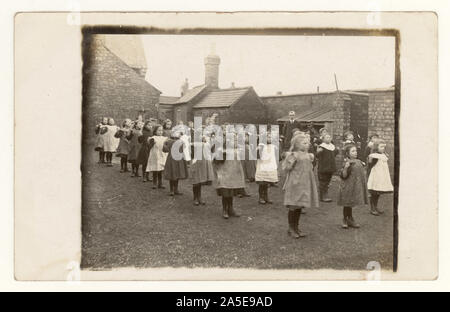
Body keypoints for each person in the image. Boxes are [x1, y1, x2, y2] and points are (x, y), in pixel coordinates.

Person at [282, 135, 319, 238]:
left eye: (308, 143)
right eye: (304, 143)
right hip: (295, 183)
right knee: (294, 205)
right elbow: (286, 168)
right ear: (297, 145)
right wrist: (289, 159)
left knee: (299, 206)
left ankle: (296, 227)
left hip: (304, 183)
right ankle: (291, 228)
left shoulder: (308, 156)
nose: (307, 145)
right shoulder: (294, 155)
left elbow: (310, 168)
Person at [212, 136, 245, 219]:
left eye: (235, 140)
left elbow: (238, 163)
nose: (234, 142)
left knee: (231, 193)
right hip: (224, 174)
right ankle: (224, 210)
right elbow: (216, 162)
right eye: (232, 141)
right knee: (225, 193)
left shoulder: (236, 151)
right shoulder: (221, 150)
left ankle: (231, 209)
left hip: (232, 175)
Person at [337, 144, 368, 229]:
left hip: (355, 186)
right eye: (353, 151)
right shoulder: (347, 162)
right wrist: (346, 168)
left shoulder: (358, 161)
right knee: (347, 203)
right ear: (347, 153)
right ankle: (344, 219)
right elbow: (343, 176)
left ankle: (350, 219)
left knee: (351, 203)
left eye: (356, 151)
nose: (355, 153)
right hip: (347, 186)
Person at [367, 139, 393, 216]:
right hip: (375, 177)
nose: (383, 148)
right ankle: (372, 208)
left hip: (381, 177)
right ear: (376, 147)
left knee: (378, 192)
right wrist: (370, 161)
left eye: (384, 147)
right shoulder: (374, 156)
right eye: (381, 147)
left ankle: (375, 206)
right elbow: (370, 166)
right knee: (374, 193)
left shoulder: (383, 155)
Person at [190, 134, 214, 206]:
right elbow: (192, 155)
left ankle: (199, 197)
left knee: (200, 181)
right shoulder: (194, 145)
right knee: (196, 181)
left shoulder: (206, 145)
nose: (204, 139)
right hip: (196, 163)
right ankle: (195, 197)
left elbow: (211, 150)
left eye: (205, 138)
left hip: (203, 164)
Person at [255, 132, 279, 205]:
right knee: (262, 183)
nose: (270, 138)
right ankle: (260, 197)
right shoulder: (261, 146)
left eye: (270, 137)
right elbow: (257, 156)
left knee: (267, 182)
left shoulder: (272, 146)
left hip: (269, 166)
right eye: (268, 137)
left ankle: (266, 196)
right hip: (262, 166)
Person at [163, 130, 189, 196]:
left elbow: (183, 149)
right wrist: (164, 144)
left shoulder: (181, 141)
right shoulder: (169, 141)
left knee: (177, 173)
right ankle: (171, 190)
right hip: (171, 159)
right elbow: (165, 150)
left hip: (179, 159)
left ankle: (176, 189)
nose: (176, 134)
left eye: (178, 133)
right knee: (172, 174)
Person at [316, 133, 339, 202]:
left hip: (330, 167)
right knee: (323, 181)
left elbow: (335, 154)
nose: (328, 138)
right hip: (323, 167)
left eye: (329, 137)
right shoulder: (321, 147)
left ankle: (325, 194)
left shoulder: (332, 146)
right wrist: (318, 152)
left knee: (328, 181)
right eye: (327, 137)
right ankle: (323, 195)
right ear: (323, 139)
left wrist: (337, 150)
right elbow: (317, 156)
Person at [146, 125, 168, 190]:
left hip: (162, 155)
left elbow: (166, 147)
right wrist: (152, 142)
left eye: (161, 130)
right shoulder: (153, 138)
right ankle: (154, 183)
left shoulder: (164, 138)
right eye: (159, 130)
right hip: (155, 155)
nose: (160, 132)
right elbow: (149, 147)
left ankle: (160, 183)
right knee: (155, 169)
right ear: (155, 131)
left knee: (160, 169)